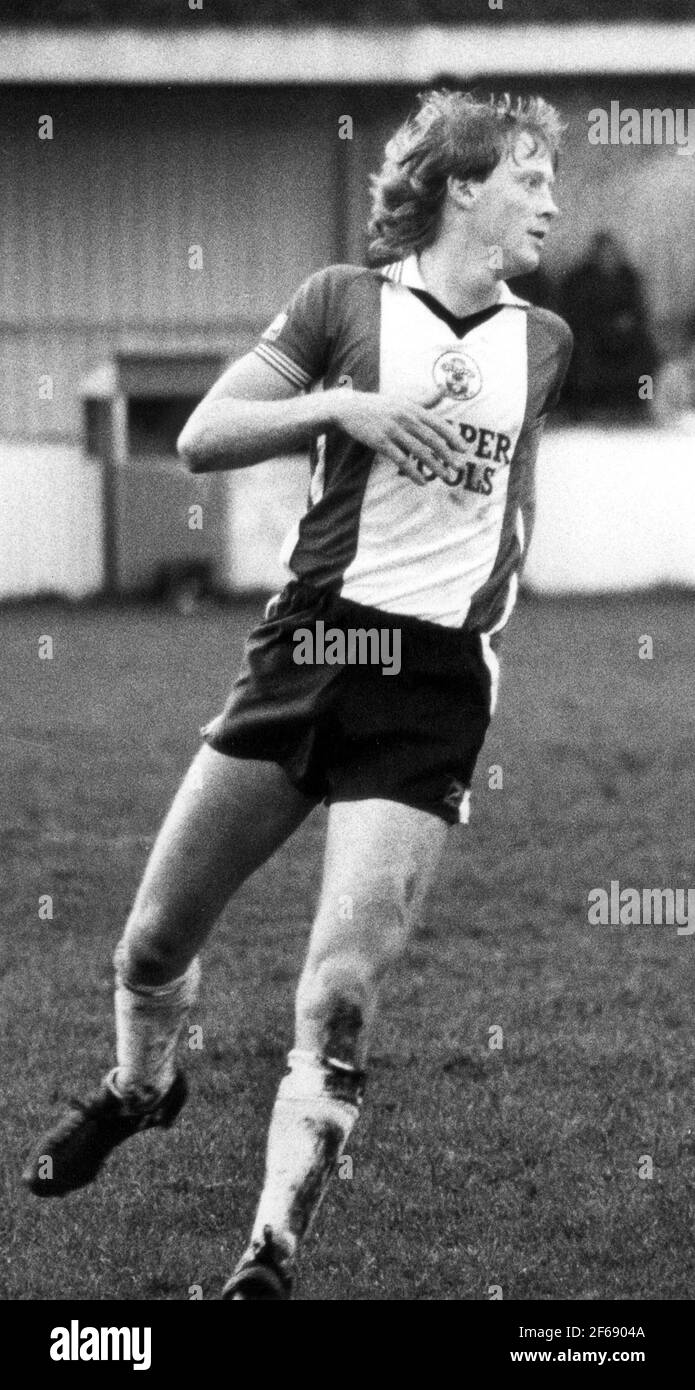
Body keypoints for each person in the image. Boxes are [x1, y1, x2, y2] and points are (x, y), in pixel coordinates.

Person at [23, 90, 573, 1301]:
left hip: (429, 684)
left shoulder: (543, 343)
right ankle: (139, 1088)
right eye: (529, 175)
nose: (549, 198)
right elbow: (204, 437)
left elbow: (500, 521)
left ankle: (268, 1253)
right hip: (305, 654)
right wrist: (340, 407)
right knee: (153, 940)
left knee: (336, 989)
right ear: (461, 184)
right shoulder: (340, 301)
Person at [559, 230, 656, 417]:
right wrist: (606, 324)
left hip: (625, 338)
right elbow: (576, 314)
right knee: (582, 353)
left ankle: (644, 403)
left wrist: (627, 322)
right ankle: (582, 409)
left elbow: (639, 311)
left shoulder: (628, 277)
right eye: (603, 253)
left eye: (612, 253)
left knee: (647, 354)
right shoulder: (580, 278)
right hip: (593, 337)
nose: (608, 257)